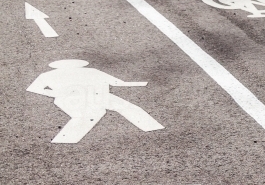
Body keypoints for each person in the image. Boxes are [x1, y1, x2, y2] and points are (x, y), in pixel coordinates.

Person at [27, 60, 164, 143]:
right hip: (89, 96)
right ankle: (65, 140)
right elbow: (115, 82)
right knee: (89, 115)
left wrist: (54, 93)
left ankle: (152, 127)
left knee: (125, 108)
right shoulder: (90, 71)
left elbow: (34, 88)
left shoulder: (47, 75)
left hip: (83, 97)